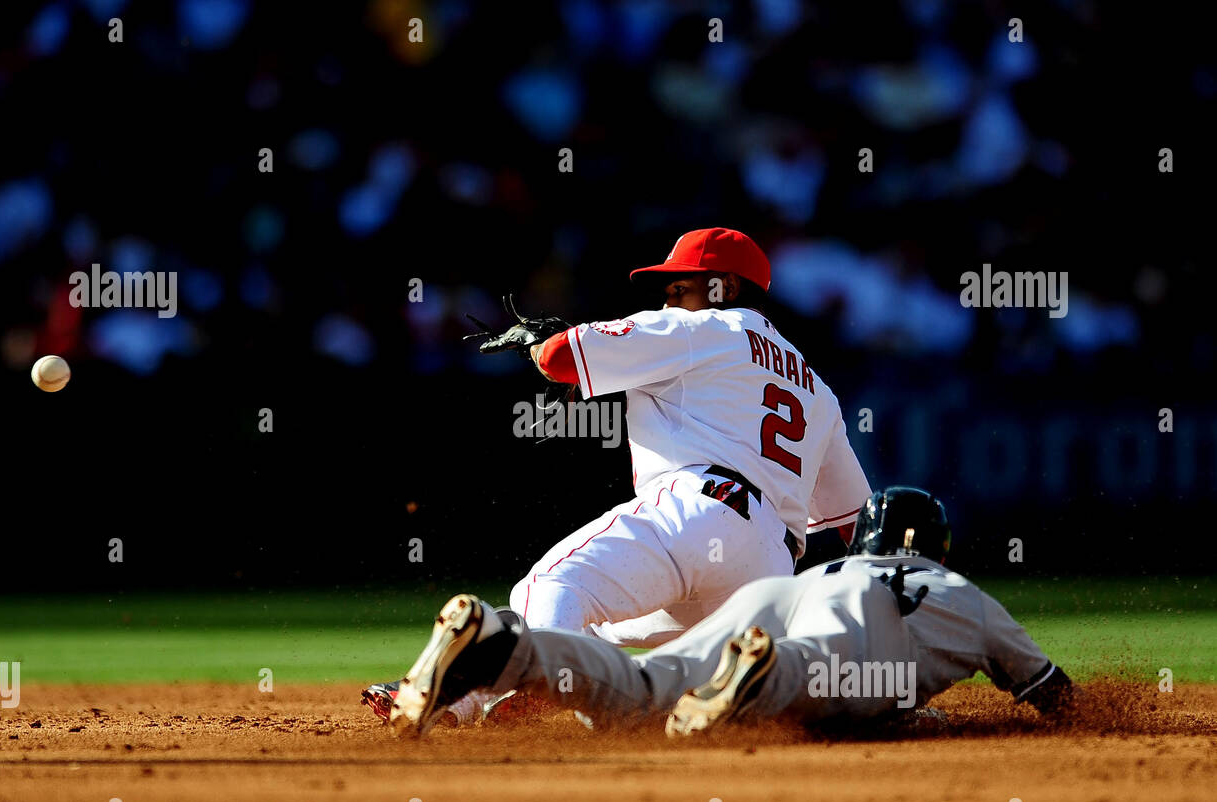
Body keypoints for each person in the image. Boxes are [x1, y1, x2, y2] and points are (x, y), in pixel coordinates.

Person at [365, 227, 871, 723]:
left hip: (699, 510)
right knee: (592, 631)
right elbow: (856, 527)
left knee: (547, 587)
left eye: (680, 288)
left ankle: (554, 691)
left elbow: (561, 356)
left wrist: (540, 345)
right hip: (766, 570)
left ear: (728, 288)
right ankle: (463, 701)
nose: (669, 301)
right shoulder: (817, 389)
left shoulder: (702, 328)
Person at [388, 486, 1077, 738]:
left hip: (776, 597)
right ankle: (761, 677)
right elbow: (1053, 694)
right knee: (831, 683)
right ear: (940, 548)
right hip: (846, 633)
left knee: (641, 691)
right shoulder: (962, 596)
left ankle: (505, 644)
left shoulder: (837, 565)